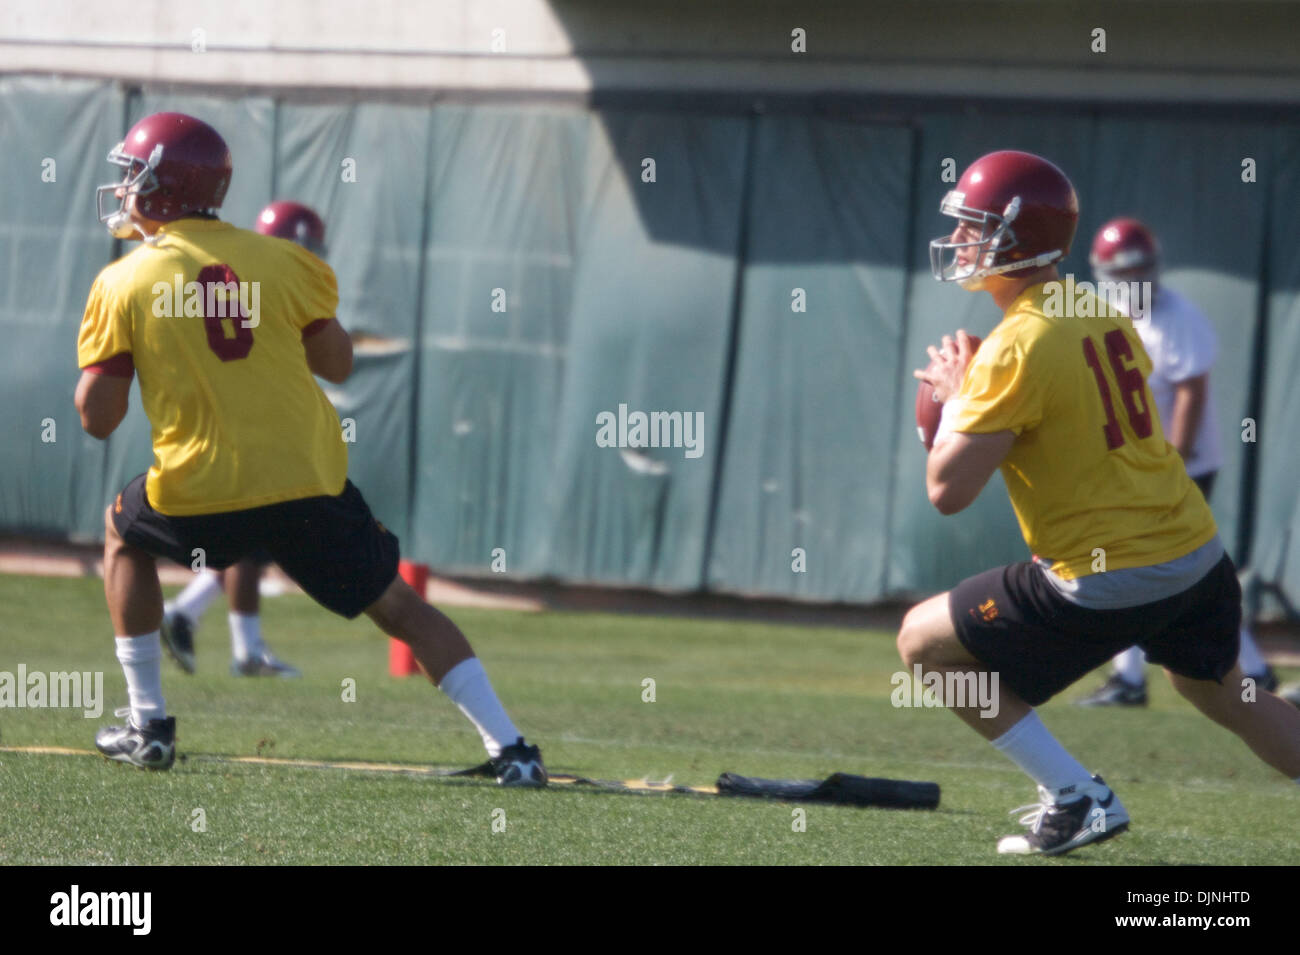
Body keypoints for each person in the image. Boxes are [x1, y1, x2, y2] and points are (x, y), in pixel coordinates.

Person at [76, 112, 545, 786]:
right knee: (401, 607)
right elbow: (339, 362)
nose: (124, 189)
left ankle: (148, 723)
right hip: (308, 481)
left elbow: (96, 419)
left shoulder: (121, 282)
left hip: (201, 486)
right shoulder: (286, 261)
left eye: (134, 175)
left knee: (123, 534)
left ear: (165, 187)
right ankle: (513, 749)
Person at [906, 150, 1300, 855]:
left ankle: (1076, 795)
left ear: (1014, 237)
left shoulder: (1014, 347)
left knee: (921, 642)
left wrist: (960, 401)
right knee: (1229, 696)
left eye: (974, 226)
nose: (961, 241)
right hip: (1196, 553)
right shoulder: (1089, 304)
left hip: (1114, 573)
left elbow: (947, 491)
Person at [1075, 218, 1279, 705]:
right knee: (1150, 567)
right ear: (1105, 273)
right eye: (1128, 272)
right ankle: (1249, 671)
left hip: (1181, 463)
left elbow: (1190, 394)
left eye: (1144, 269)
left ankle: (1136, 680)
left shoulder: (1177, 317)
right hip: (1133, 464)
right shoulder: (1100, 311)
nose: (1138, 280)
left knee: (1150, 568)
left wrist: (1171, 464)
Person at [159, 202, 329, 679]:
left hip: (221, 423)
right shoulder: (282, 284)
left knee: (253, 538)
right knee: (258, 535)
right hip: (250, 427)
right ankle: (240, 648)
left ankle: (192, 616)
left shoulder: (227, 274)